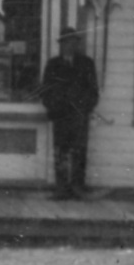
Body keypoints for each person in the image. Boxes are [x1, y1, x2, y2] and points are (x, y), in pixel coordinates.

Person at [38, 28, 100, 200]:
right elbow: (45, 91)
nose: (68, 46)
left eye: (72, 42)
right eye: (65, 42)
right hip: (60, 116)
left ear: (76, 44)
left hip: (79, 115)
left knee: (79, 151)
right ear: (60, 45)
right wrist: (53, 107)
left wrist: (84, 108)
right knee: (61, 152)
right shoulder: (53, 64)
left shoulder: (86, 64)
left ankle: (78, 187)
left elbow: (93, 91)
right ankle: (62, 188)